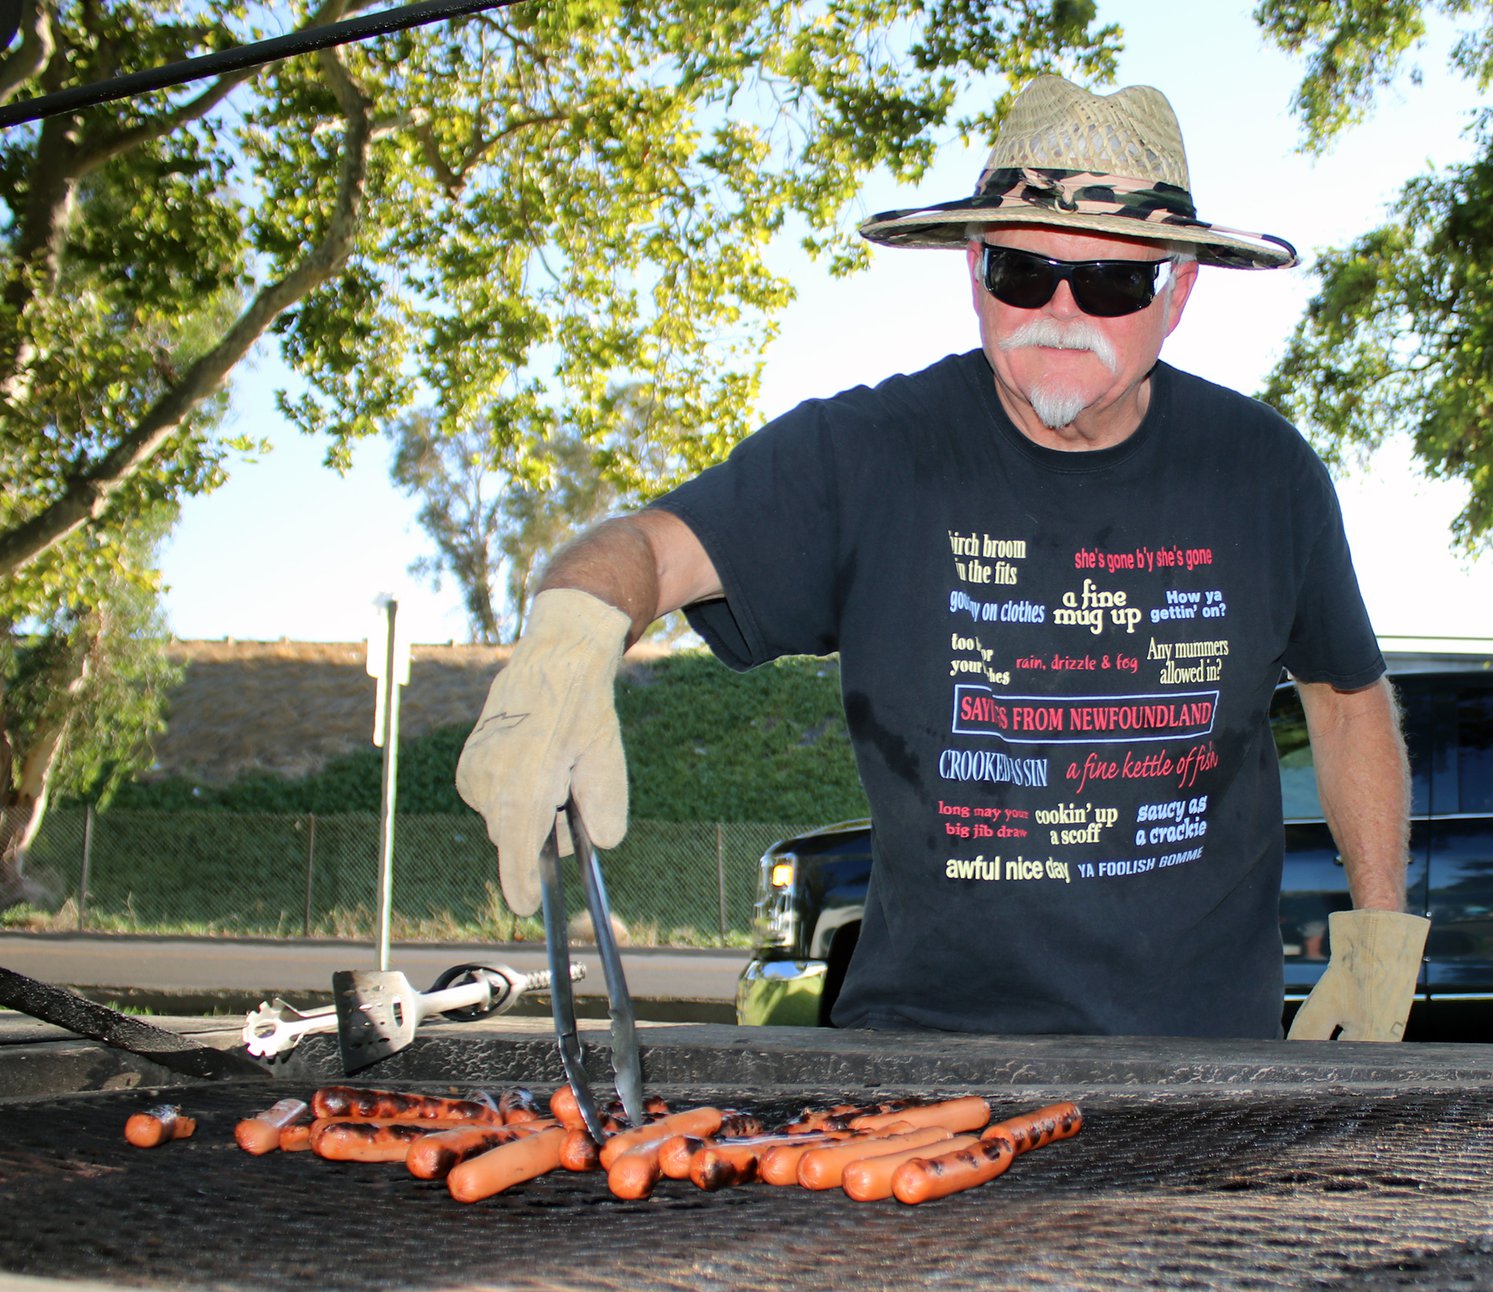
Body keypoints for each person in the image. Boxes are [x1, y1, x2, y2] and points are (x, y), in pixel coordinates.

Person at [456, 75, 1427, 1041]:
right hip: (924, 1066)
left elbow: (1345, 701)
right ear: (974, 272)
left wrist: (1379, 936)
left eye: (1113, 281)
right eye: (1021, 272)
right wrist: (572, 637)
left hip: (1203, 1066)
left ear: (1178, 293)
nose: (1060, 308)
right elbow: (647, 550)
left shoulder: (1265, 475)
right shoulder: (871, 455)